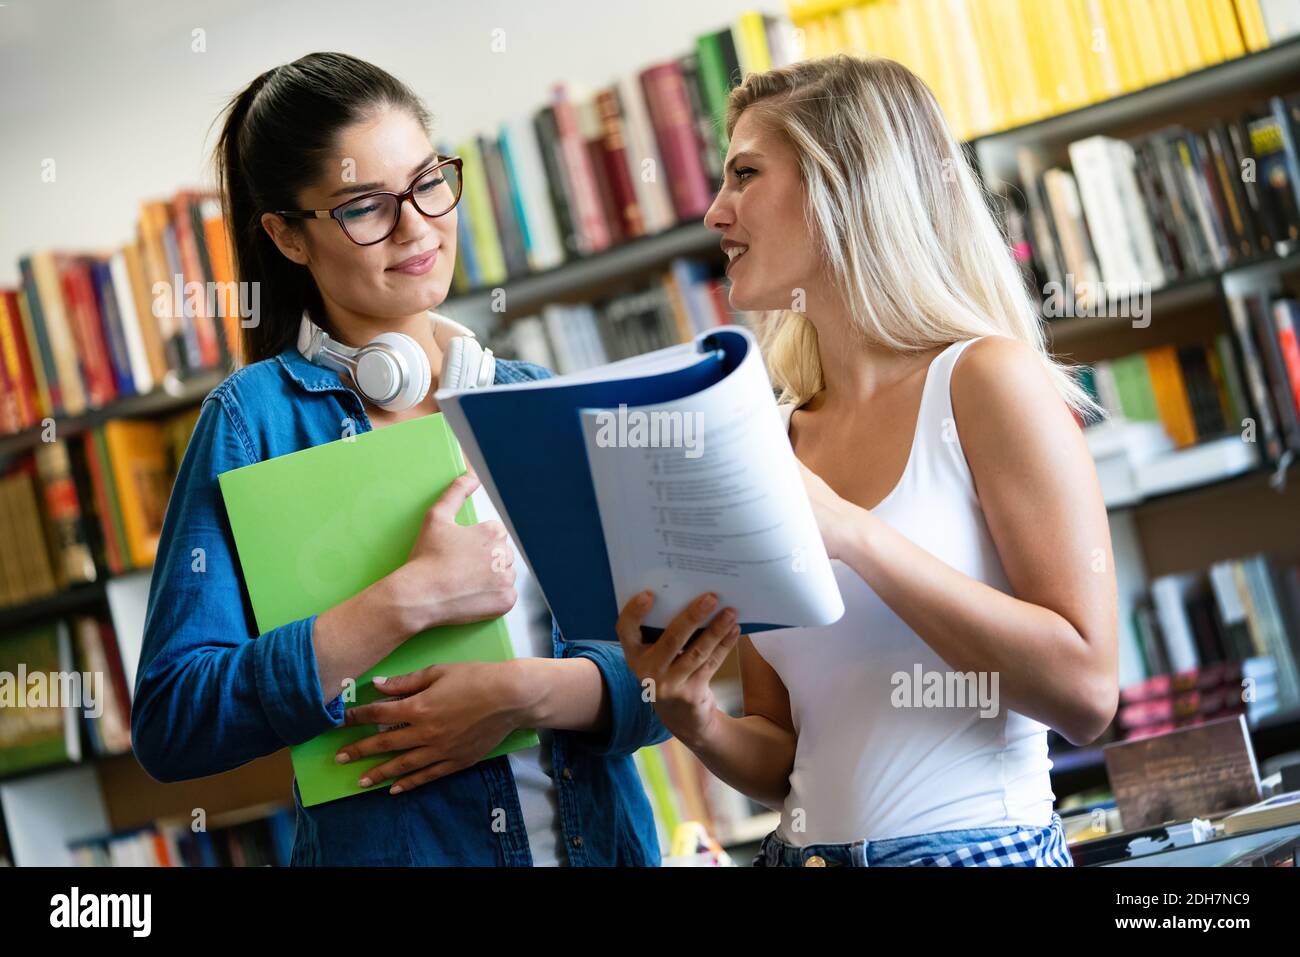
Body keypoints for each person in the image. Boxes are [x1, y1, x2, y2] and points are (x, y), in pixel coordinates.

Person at [131, 52, 668, 866]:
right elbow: (174, 722)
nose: (417, 225)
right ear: (286, 235)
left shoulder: (531, 397)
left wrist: (523, 694)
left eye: (427, 182)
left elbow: (662, 685)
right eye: (364, 208)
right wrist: (403, 602)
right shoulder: (252, 424)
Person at [615, 54, 1118, 867]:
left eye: (745, 174)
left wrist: (853, 533)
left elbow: (1088, 694)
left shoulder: (986, 380)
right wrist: (695, 716)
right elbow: (784, 750)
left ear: (842, 184)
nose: (714, 212)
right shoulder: (770, 438)